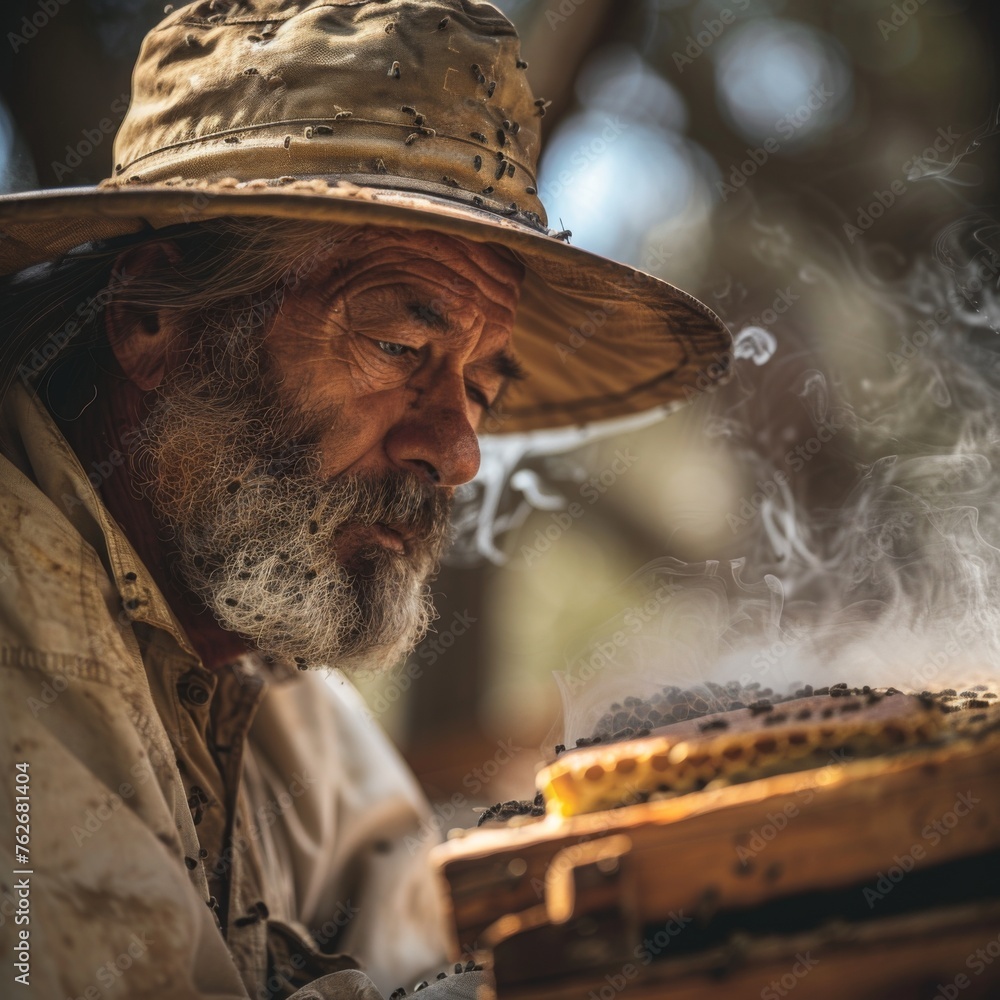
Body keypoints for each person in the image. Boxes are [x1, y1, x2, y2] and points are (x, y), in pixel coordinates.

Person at [0, 0, 730, 997]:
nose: (457, 450)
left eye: (478, 386)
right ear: (152, 318)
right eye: (397, 348)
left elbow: (422, 950)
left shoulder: (285, 696)